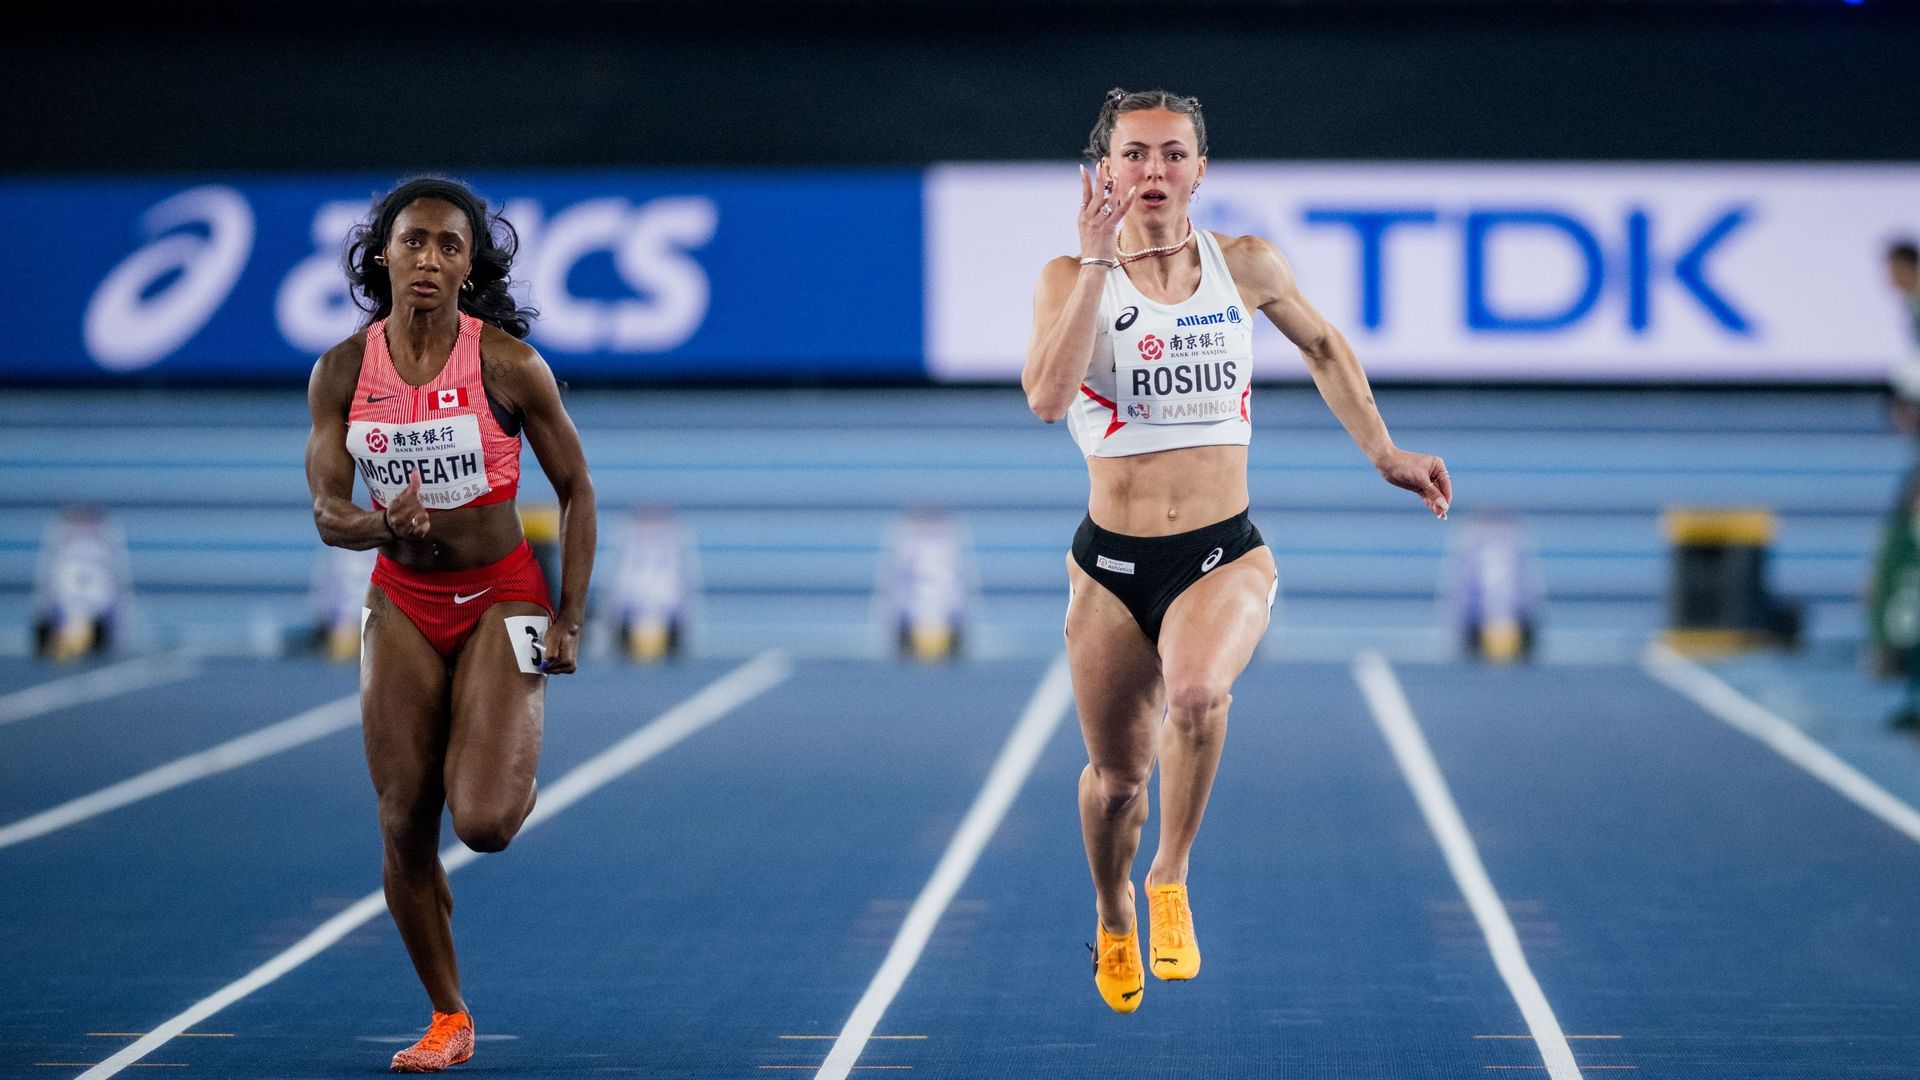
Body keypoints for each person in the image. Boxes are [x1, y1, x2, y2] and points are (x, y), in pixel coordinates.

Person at [1023, 89, 1450, 1013]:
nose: (1153, 172)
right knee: (1115, 782)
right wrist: (1098, 263)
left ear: (1201, 168)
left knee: (1199, 694)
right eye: (1134, 155)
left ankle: (1170, 877)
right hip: (1110, 570)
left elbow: (1328, 348)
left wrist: (1385, 451)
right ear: (1105, 170)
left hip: (1223, 552)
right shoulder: (1068, 277)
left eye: (1173, 154)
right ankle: (1112, 911)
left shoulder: (1245, 264)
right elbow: (1049, 400)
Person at [304, 177, 595, 1071]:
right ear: (381, 254)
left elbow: (577, 490)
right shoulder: (345, 371)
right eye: (414, 242)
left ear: (470, 267)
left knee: (485, 823)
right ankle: (448, 1016)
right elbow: (327, 510)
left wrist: (572, 617)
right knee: (402, 821)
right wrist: (382, 525)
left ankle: (503, 750)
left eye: (449, 246)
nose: (429, 258)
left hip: (502, 594)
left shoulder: (506, 363)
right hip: (401, 600)